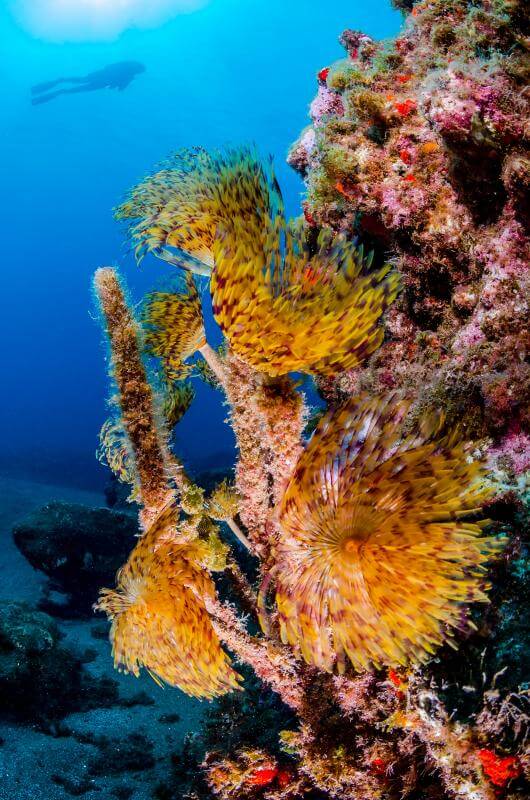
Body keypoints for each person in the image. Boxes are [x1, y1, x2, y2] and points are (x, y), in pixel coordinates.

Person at [31, 61, 145, 105]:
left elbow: (107, 67)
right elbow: (119, 89)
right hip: (99, 82)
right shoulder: (129, 75)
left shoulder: (125, 67)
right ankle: (58, 87)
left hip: (98, 78)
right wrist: (128, 83)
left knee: (80, 81)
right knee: (73, 88)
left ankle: (60, 81)